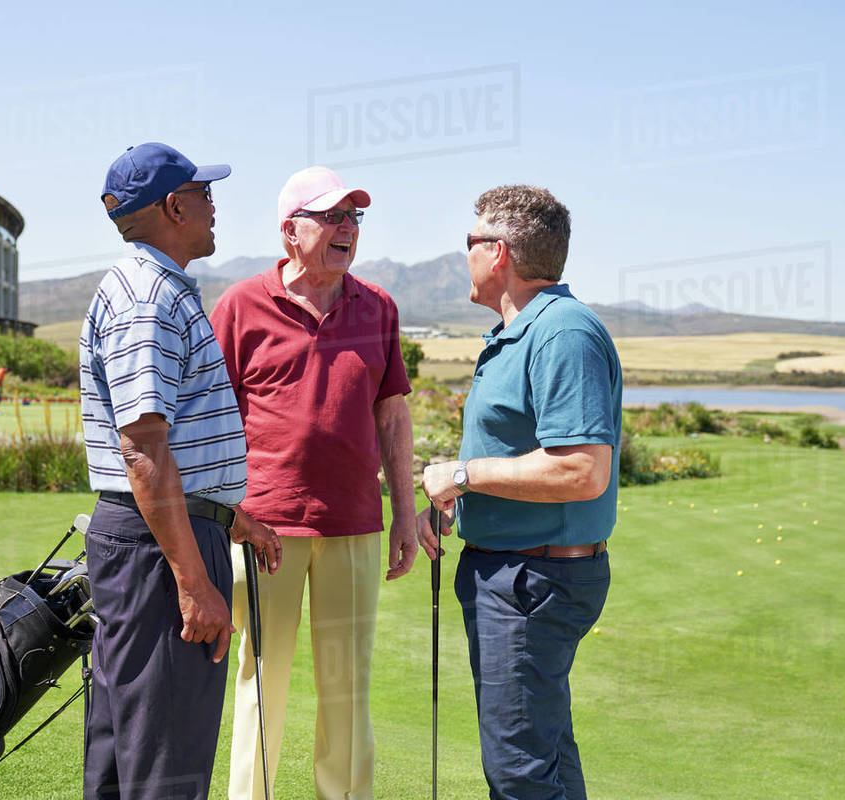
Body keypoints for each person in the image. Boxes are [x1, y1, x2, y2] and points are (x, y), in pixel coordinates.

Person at [80, 142, 281, 800]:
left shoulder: (153, 289)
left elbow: (168, 447)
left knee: (130, 752)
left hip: (163, 537)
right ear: (174, 207)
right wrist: (193, 584)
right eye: (204, 193)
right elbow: (143, 449)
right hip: (163, 552)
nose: (214, 206)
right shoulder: (150, 299)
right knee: (166, 761)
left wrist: (229, 516)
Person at [209, 165, 418, 800]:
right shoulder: (240, 305)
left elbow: (392, 414)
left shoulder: (378, 306)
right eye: (331, 216)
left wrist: (403, 514)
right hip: (263, 526)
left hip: (354, 524)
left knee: (348, 687)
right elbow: (212, 418)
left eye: (353, 216)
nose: (346, 227)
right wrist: (225, 512)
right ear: (289, 231)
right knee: (262, 679)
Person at [419, 185, 622, 800]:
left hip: (534, 582)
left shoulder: (562, 333)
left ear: (498, 252)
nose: (464, 255)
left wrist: (462, 476)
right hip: (515, 572)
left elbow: (581, 470)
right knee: (545, 757)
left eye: (470, 242)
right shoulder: (520, 330)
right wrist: (460, 501)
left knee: (519, 772)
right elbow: (518, 452)